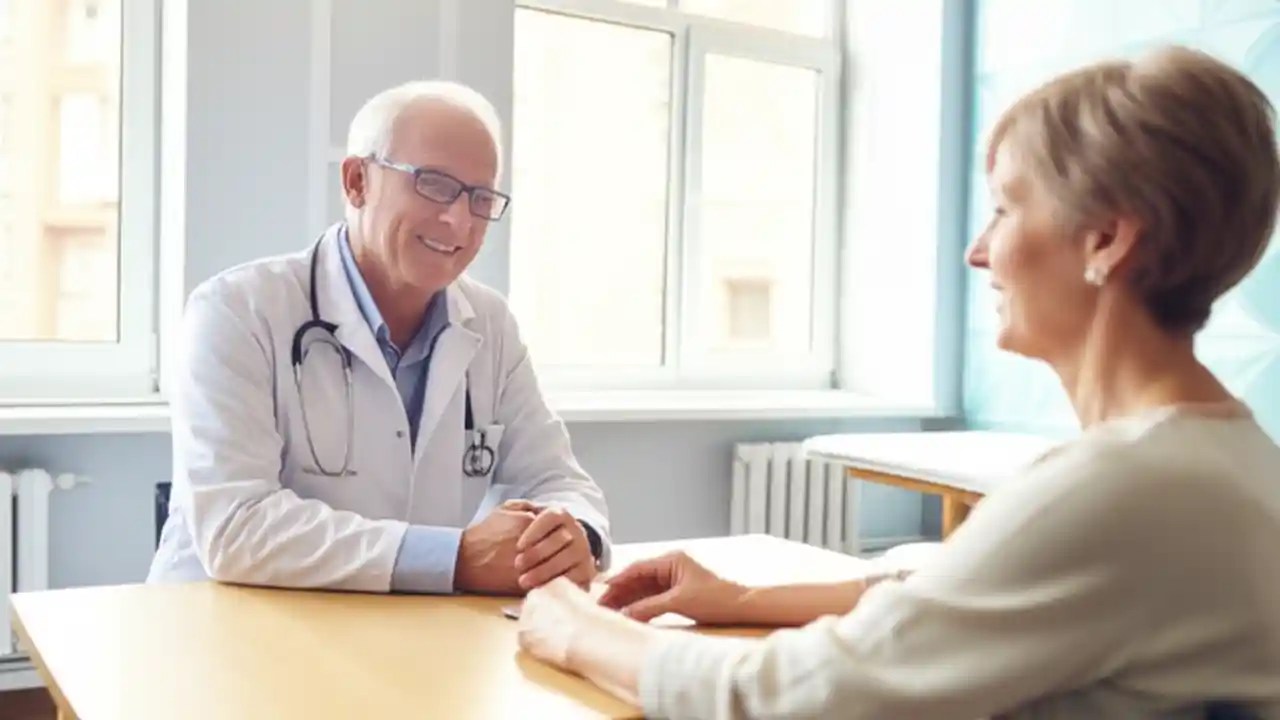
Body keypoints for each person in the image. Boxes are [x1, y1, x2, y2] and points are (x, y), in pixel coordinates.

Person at [516, 45, 1280, 718]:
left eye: (1005, 209)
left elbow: (802, 699)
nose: (978, 252)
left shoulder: (1131, 487)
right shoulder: (1224, 460)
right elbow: (966, 588)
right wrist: (744, 598)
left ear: (1106, 239)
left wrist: (579, 630)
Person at [148, 81, 610, 596]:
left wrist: (575, 536)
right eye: (434, 184)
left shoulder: (489, 323)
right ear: (357, 182)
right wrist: (453, 558)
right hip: (222, 621)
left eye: (481, 199)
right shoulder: (237, 311)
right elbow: (236, 526)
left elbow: (556, 479)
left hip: (397, 626)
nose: (458, 220)